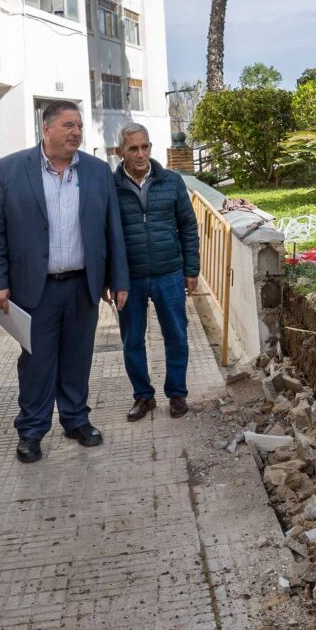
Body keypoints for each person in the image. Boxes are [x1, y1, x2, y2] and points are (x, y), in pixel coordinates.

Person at [0, 101, 128, 459]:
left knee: (78, 357)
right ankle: (31, 431)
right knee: (37, 362)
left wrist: (118, 279)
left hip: (83, 285)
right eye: (68, 125)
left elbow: (113, 230)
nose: (76, 132)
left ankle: (76, 419)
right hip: (35, 288)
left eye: (79, 126)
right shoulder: (9, 170)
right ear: (46, 128)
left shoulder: (96, 171)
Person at [111, 124, 201, 420]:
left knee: (176, 335)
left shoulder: (172, 182)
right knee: (132, 340)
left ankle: (177, 394)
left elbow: (188, 227)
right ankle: (143, 396)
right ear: (119, 152)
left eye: (145, 147)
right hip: (130, 279)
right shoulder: (109, 188)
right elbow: (102, 236)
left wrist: (191, 269)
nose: (140, 154)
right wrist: (108, 278)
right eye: (133, 148)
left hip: (169, 273)